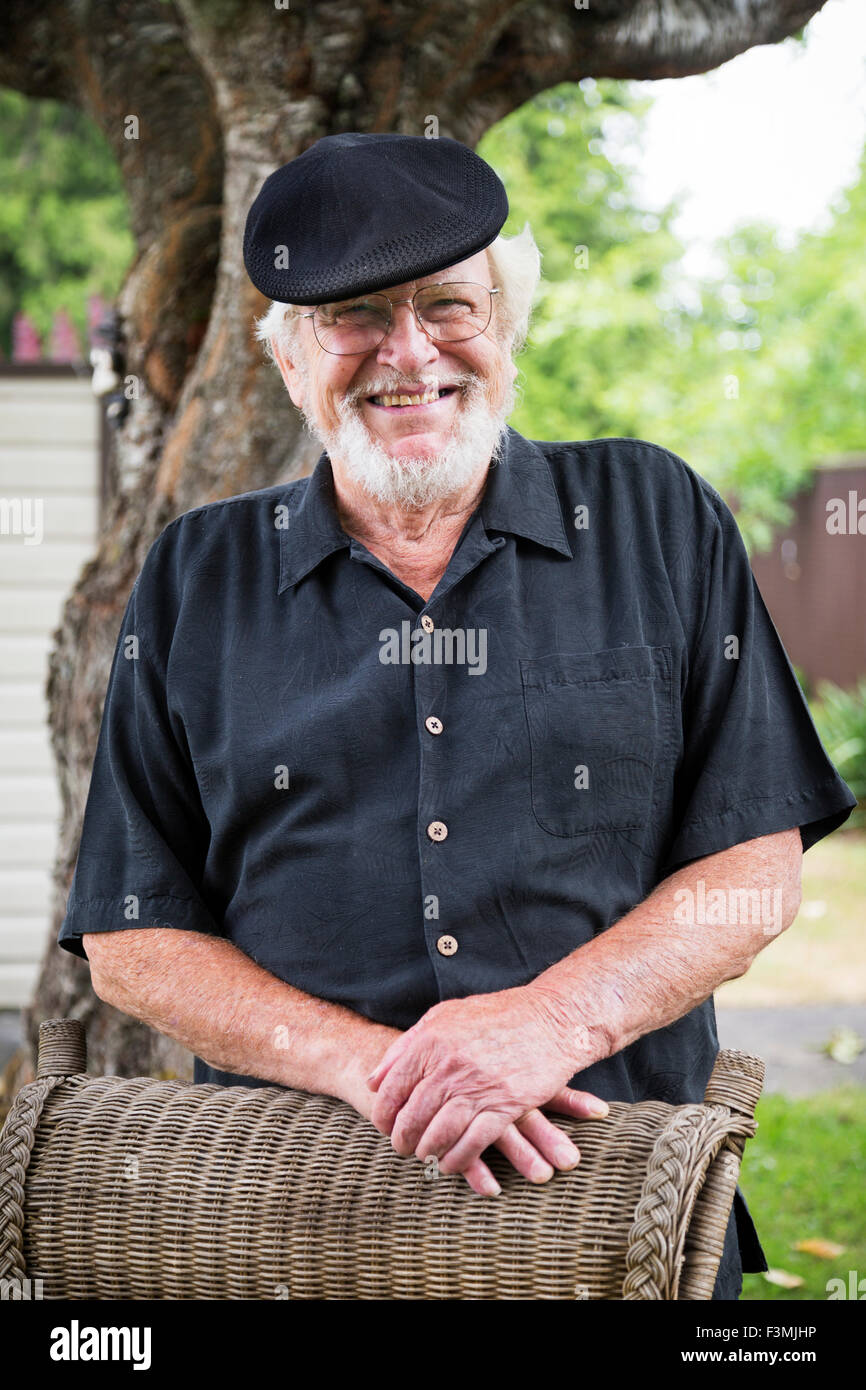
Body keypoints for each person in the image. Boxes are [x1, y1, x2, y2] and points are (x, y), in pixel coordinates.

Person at [58, 133, 856, 1301]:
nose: (411, 351)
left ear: (507, 325)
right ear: (289, 360)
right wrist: (381, 1070)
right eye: (356, 317)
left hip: (618, 1199)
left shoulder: (652, 515)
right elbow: (131, 932)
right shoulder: (196, 575)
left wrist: (546, 1025)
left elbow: (751, 861)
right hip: (294, 1219)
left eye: (448, 305)